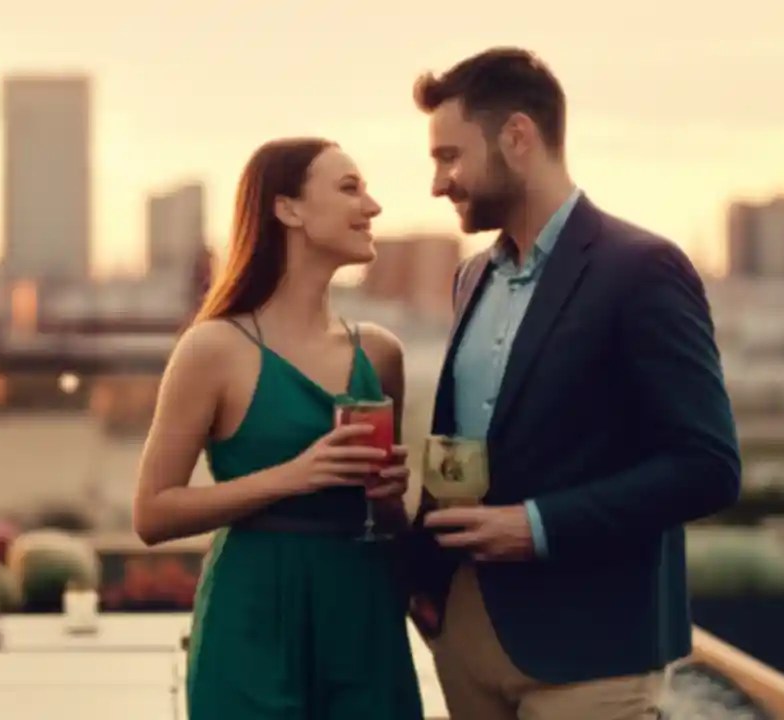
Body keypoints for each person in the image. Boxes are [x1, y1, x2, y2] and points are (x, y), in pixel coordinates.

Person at [405, 48, 742, 719]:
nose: (438, 183)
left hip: (593, 656)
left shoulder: (643, 269)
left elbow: (707, 466)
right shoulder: (473, 277)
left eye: (450, 157)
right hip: (467, 638)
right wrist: (422, 578)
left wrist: (534, 527)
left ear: (518, 138)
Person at [132, 137, 424, 720]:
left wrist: (390, 500)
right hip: (253, 617)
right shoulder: (213, 348)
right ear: (287, 209)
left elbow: (388, 525)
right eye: (349, 188)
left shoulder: (381, 354)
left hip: (364, 615)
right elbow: (152, 514)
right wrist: (295, 475)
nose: (372, 206)